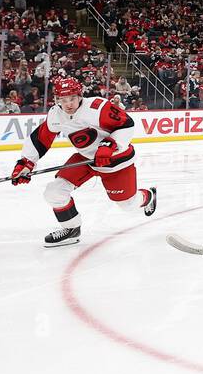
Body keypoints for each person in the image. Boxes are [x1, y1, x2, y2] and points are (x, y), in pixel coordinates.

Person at [10, 76, 157, 247]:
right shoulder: (56, 114)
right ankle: (71, 229)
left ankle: (149, 196)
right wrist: (26, 163)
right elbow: (40, 139)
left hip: (116, 161)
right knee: (54, 192)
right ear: (57, 100)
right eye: (63, 100)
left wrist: (110, 144)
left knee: (128, 205)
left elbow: (126, 124)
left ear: (80, 95)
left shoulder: (97, 107)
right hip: (86, 159)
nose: (68, 104)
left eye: (72, 98)